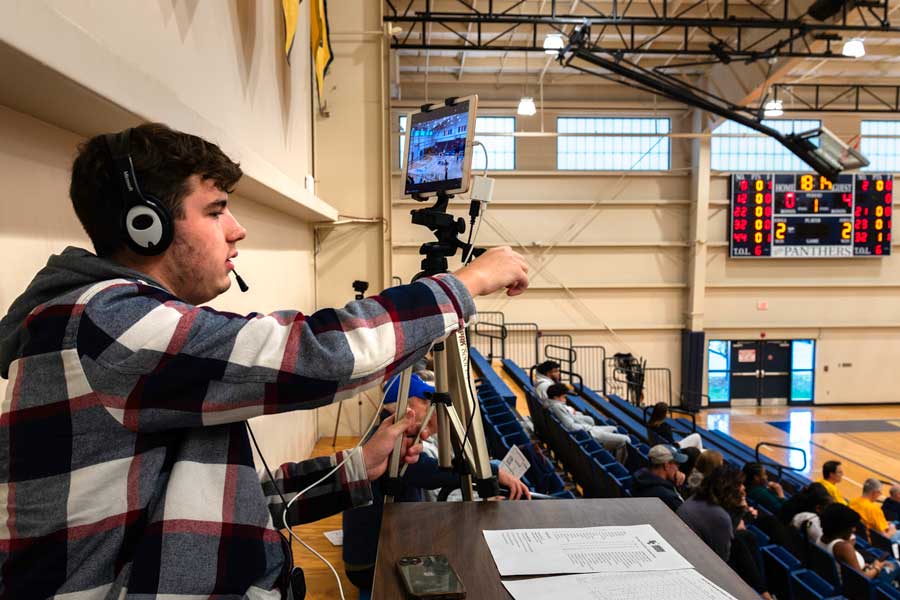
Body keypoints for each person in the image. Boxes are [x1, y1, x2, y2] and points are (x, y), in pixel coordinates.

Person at [0, 124, 530, 599]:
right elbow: (321, 356)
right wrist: (466, 284)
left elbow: (216, 513)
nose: (237, 229)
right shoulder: (105, 323)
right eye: (214, 211)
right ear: (146, 225)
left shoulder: (108, 324)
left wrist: (356, 469)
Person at [342, 374, 530, 592]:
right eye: (430, 421)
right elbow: (431, 474)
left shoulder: (381, 434)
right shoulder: (391, 443)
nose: (428, 433)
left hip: (377, 548)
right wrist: (492, 471)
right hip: (370, 563)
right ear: (412, 404)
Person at [678, 465, 774, 600]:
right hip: (700, 571)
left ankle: (764, 592)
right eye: (740, 484)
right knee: (741, 544)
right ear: (729, 488)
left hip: (688, 554)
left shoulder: (697, 498)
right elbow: (723, 558)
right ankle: (764, 594)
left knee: (745, 538)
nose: (744, 487)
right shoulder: (719, 516)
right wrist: (741, 510)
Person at [818, 503, 900, 587]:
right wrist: (877, 567)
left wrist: (868, 566)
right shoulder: (844, 547)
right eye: (851, 526)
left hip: (844, 580)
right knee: (896, 564)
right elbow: (862, 579)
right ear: (841, 527)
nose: (854, 529)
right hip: (859, 588)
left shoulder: (820, 538)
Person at [545, 383, 629, 456]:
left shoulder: (554, 405)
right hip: (587, 434)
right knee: (625, 440)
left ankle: (610, 455)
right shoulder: (557, 406)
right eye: (563, 396)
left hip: (586, 431)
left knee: (614, 428)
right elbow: (570, 426)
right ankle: (617, 465)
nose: (565, 397)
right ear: (556, 397)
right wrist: (587, 427)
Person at [632, 445, 687, 512]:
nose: (678, 468)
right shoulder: (669, 498)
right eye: (677, 464)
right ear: (666, 465)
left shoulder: (640, 476)